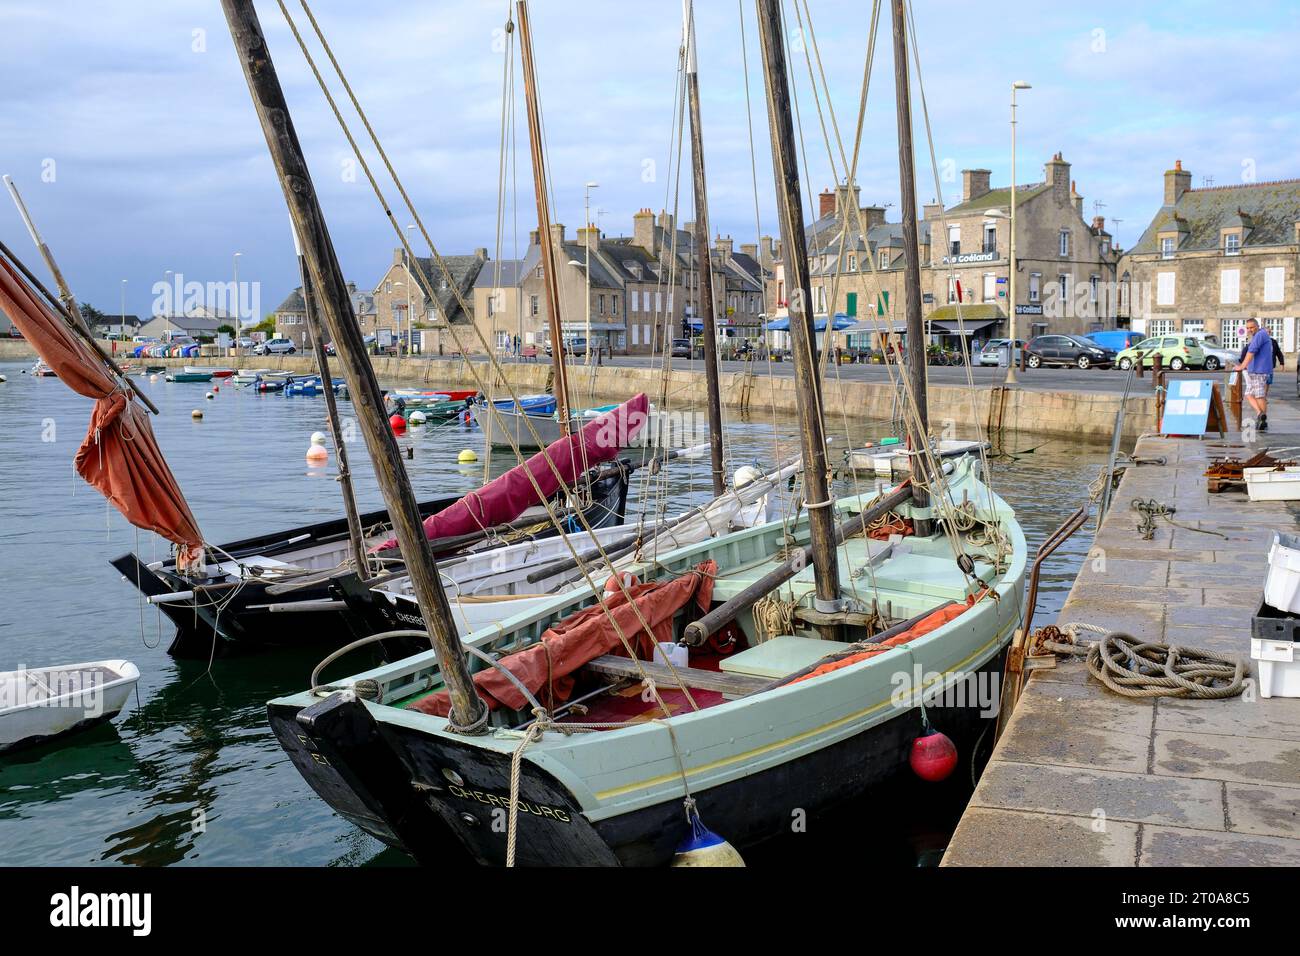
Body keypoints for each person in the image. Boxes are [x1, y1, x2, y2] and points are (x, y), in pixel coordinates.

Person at [1236, 318, 1273, 431]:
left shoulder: (1260, 335)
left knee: (1259, 395)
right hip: (1254, 370)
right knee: (1249, 394)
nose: (1249, 330)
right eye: (1247, 328)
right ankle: (1260, 414)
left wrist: (1242, 366)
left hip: (1259, 371)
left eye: (1252, 327)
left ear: (1257, 326)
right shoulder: (1259, 335)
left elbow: (1251, 352)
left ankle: (1262, 420)